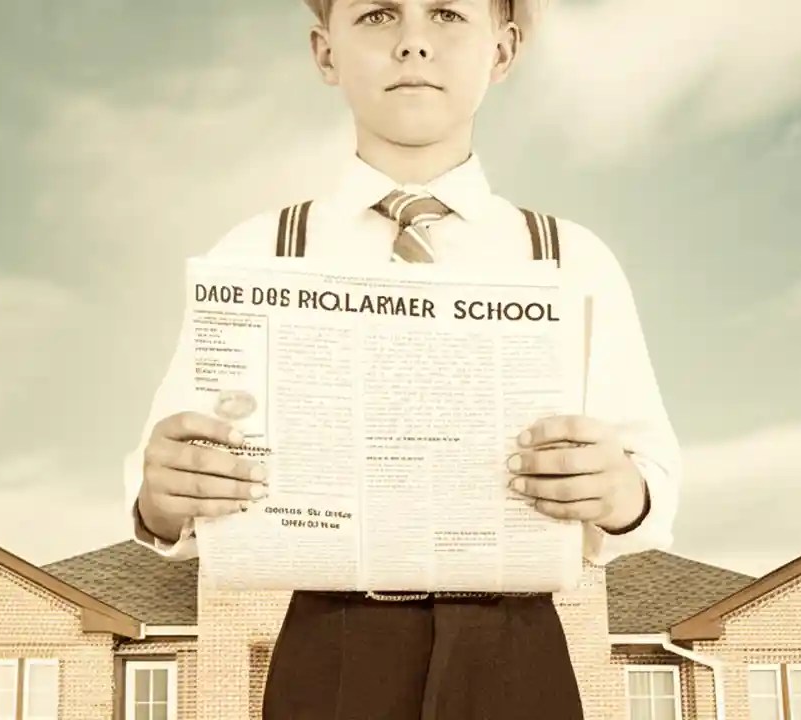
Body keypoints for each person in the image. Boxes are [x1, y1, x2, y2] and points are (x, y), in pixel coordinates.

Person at [123, 0, 682, 717]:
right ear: (325, 52)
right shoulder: (254, 253)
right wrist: (163, 497)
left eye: (447, 14)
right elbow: (166, 489)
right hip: (330, 645)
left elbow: (653, 480)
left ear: (503, 51)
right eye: (380, 15)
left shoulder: (573, 257)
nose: (414, 42)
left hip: (516, 647)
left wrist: (620, 491)